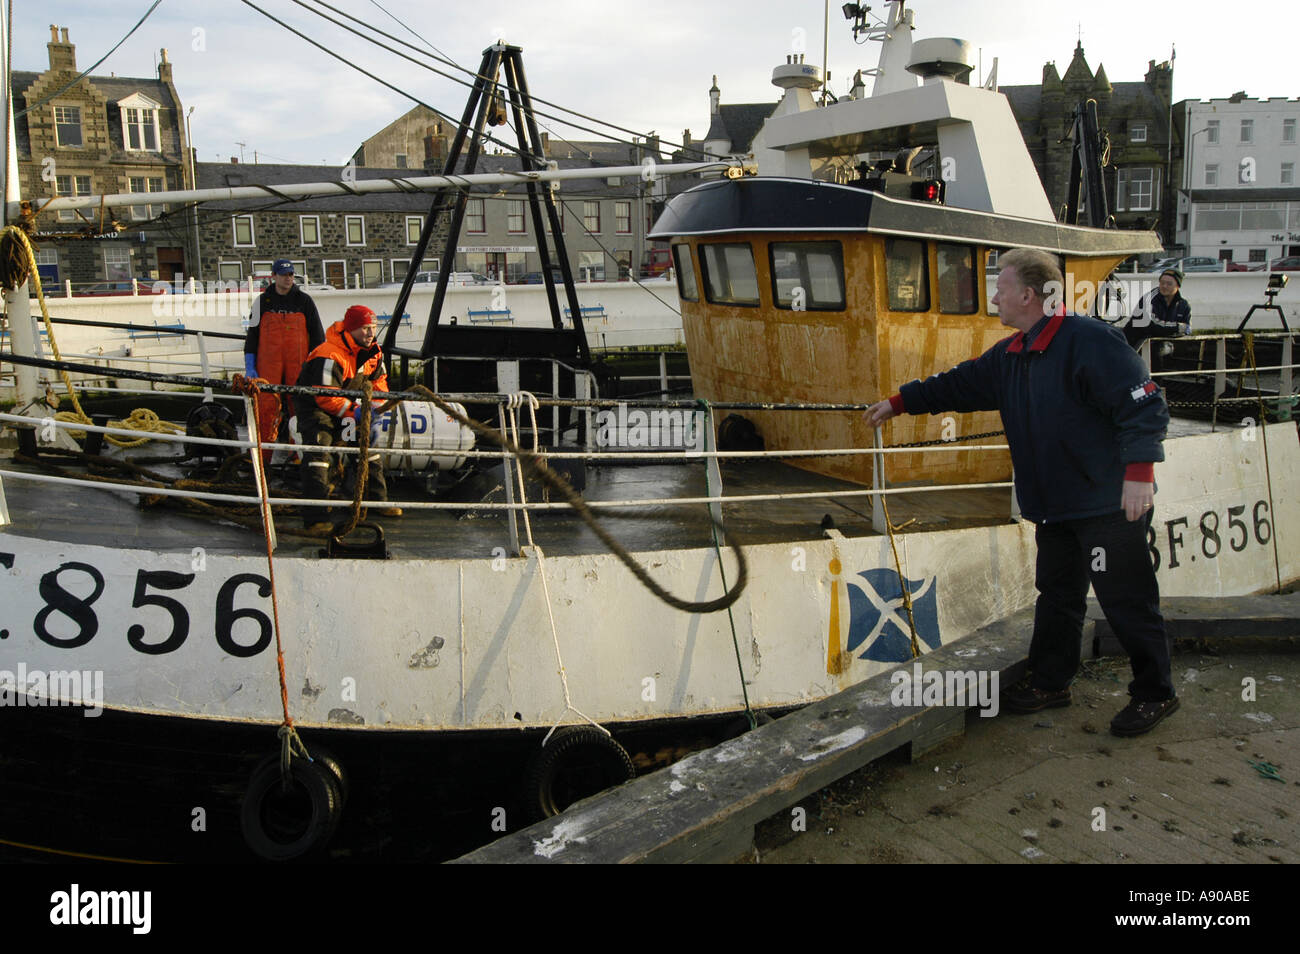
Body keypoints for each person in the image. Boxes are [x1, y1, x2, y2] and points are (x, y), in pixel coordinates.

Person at [865, 247, 1178, 737]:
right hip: (1055, 507)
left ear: (1028, 295)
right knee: (1057, 596)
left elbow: (1143, 405)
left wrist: (1139, 472)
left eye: (1001, 288)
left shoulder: (1091, 342)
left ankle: (1155, 693)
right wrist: (900, 401)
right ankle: (1052, 682)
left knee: (1127, 601)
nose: (995, 297)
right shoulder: (1013, 353)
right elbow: (960, 384)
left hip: (1106, 506)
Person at [294, 305, 400, 531]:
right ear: (351, 329)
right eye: (364, 328)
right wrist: (357, 412)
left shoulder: (373, 353)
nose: (370, 333)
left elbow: (380, 385)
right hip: (317, 411)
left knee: (366, 447)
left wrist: (376, 410)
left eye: (373, 327)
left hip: (347, 409)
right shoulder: (329, 354)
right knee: (319, 455)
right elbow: (324, 396)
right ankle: (316, 518)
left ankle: (376, 500)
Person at [243, 259, 324, 461]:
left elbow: (318, 338)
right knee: (266, 410)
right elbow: (252, 336)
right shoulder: (261, 302)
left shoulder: (305, 301)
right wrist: (250, 366)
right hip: (267, 368)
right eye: (283, 275)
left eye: (290, 275)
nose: (288, 279)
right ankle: (263, 459)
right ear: (274, 276)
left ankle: (297, 456)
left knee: (300, 410)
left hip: (299, 368)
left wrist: (316, 368)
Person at [1125, 268, 1191, 367]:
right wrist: (1177, 327)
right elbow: (1151, 325)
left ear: (1178, 286)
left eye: (1169, 284)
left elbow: (1186, 327)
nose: (1164, 286)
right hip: (1135, 345)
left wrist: (1180, 329)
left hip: (1159, 346)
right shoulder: (1149, 298)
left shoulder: (1183, 305)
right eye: (1162, 283)